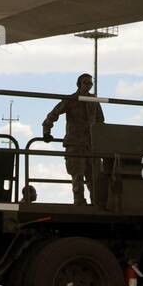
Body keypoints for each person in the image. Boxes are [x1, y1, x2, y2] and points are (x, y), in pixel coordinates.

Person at [42, 73, 105, 206]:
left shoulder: (94, 100)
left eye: (90, 83)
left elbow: (100, 121)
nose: (88, 85)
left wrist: (102, 141)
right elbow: (53, 114)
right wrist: (46, 132)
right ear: (79, 84)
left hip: (92, 146)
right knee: (77, 175)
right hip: (75, 144)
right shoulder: (70, 100)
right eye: (85, 83)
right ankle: (79, 202)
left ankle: (97, 203)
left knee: (95, 177)